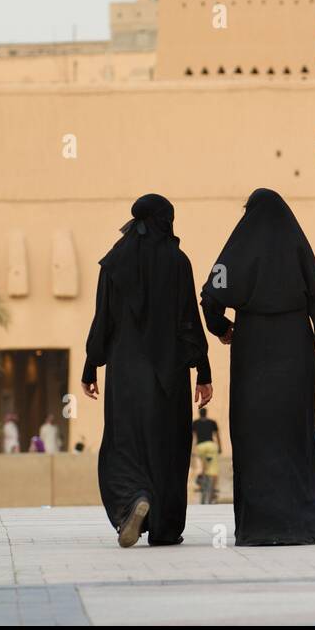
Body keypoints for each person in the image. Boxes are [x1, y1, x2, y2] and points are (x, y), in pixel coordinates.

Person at [201, 188, 315, 545]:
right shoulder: (297, 245)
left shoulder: (239, 247)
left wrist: (223, 328)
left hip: (252, 348)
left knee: (255, 435)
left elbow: (210, 298)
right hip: (294, 350)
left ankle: (258, 528)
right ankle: (303, 524)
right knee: (294, 431)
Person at [83, 194, 212, 548]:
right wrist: (203, 370)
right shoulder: (178, 262)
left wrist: (91, 364)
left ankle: (133, 499)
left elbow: (103, 318)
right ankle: (165, 527)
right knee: (167, 446)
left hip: (125, 373)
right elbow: (189, 320)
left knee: (124, 442)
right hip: (168, 376)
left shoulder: (114, 263)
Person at [192, 407, 221, 502]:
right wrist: (220, 447)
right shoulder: (212, 422)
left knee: (202, 467)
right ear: (206, 413)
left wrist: (192, 450)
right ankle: (213, 491)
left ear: (199, 414)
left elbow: (193, 437)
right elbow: (217, 436)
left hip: (201, 447)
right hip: (211, 446)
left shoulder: (195, 423)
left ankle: (201, 483)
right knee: (214, 470)